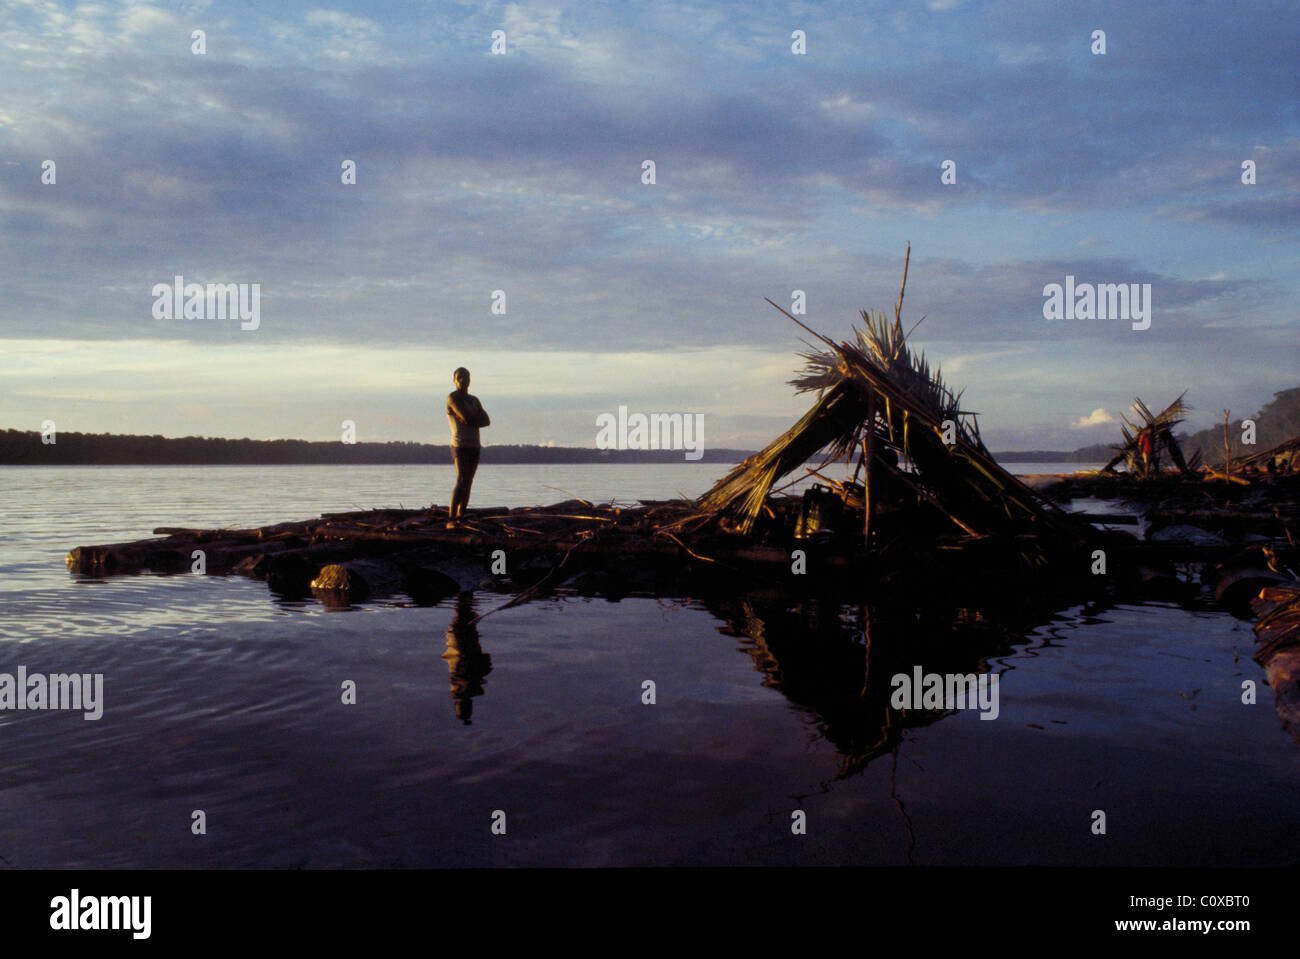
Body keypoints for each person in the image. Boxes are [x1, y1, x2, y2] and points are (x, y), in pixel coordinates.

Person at [446, 367, 490, 527]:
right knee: (461, 480)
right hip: (460, 445)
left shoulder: (474, 400)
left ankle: (461, 514)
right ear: (454, 380)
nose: (463, 380)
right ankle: (451, 518)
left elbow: (486, 420)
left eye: (466, 377)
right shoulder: (453, 398)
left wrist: (473, 419)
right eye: (460, 378)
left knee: (469, 481)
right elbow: (466, 418)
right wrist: (473, 418)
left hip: (474, 445)